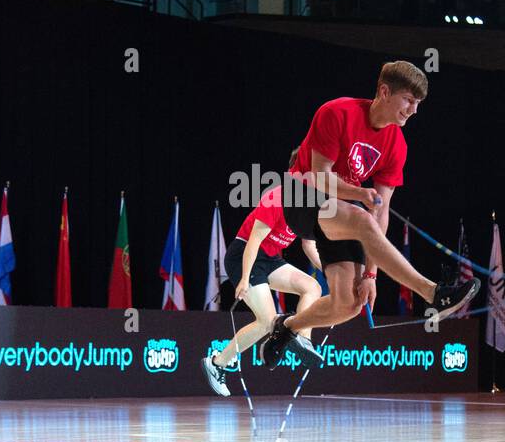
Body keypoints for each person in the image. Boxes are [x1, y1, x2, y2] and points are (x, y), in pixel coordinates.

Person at [260, 61, 480, 368]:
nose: (413, 111)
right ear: (384, 91)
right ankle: (433, 293)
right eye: (409, 101)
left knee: (348, 303)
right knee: (361, 216)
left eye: (418, 105)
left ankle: (287, 328)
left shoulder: (397, 146)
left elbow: (382, 211)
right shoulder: (337, 112)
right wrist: (360, 194)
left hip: (340, 213)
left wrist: (371, 274)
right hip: (301, 196)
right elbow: (319, 176)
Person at [201, 150, 324, 396]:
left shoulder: (307, 207)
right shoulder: (275, 198)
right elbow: (253, 241)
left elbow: (309, 245)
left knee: (313, 288)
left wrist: (332, 272)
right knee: (267, 322)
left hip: (270, 259)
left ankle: (304, 339)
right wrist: (244, 278)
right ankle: (216, 363)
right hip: (244, 256)